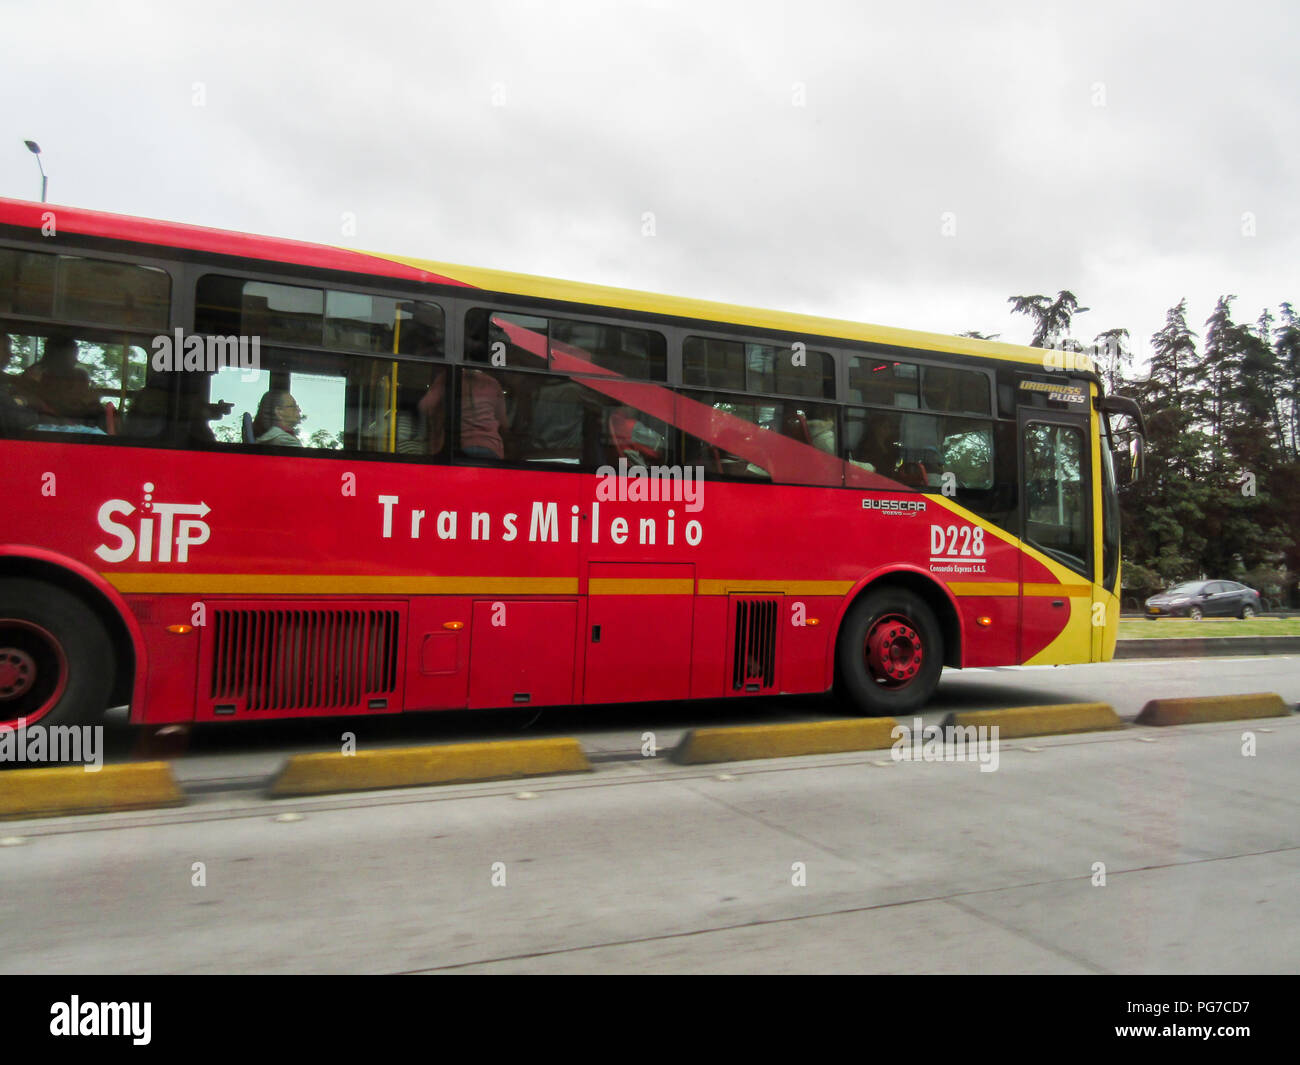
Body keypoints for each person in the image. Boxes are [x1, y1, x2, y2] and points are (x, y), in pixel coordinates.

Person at [419, 368, 508, 460]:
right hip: (491, 446)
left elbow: (425, 406)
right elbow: (504, 423)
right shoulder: (492, 383)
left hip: (460, 447)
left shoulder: (448, 376)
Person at [15, 336, 101, 422]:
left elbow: (85, 407)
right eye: (71, 355)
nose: (75, 360)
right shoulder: (34, 374)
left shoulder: (80, 376)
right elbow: (20, 402)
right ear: (56, 355)